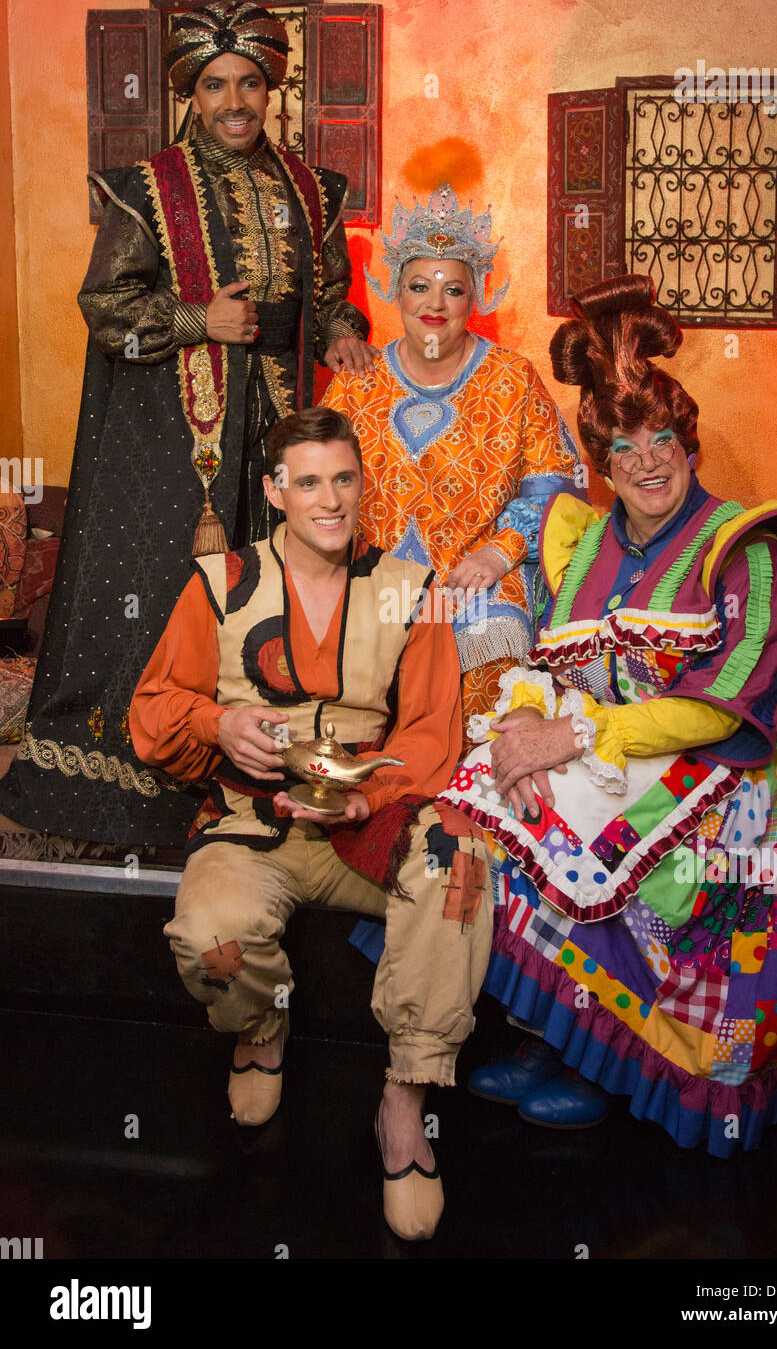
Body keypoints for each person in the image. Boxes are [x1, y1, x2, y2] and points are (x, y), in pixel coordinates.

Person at [440, 274, 777, 1156]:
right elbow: (554, 663)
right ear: (601, 463)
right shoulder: (585, 540)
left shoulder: (744, 545)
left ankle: (601, 1062)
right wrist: (524, 730)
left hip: (725, 767)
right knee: (478, 792)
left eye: (661, 438)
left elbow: (727, 701)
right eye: (624, 447)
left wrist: (578, 737)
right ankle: (552, 1035)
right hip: (613, 754)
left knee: (601, 839)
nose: (646, 461)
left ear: (689, 444)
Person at [0, 0, 373, 849]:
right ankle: (138, 779)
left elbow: (328, 294)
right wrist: (201, 322)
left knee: (265, 593)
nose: (235, 99)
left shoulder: (313, 189)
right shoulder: (147, 189)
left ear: (271, 91)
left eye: (250, 82)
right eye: (215, 85)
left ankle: (253, 771)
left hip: (276, 431)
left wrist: (345, 331)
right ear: (191, 95)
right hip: (171, 443)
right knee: (168, 595)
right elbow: (107, 312)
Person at [128, 407, 493, 1240]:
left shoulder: (412, 588)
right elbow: (152, 709)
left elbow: (434, 728)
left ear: (362, 483)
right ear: (273, 490)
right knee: (209, 936)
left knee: (463, 865)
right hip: (251, 822)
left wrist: (376, 793)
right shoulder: (217, 581)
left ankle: (404, 1104)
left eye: (343, 478)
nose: (330, 500)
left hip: (363, 820)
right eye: (308, 482)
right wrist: (218, 724)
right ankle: (261, 1028)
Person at [321, 183, 582, 730]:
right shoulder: (357, 382)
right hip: (372, 578)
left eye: (453, 290)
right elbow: (316, 487)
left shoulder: (512, 379)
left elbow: (557, 486)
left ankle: (468, 798)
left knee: (490, 670)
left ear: (476, 298)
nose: (434, 305)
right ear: (396, 290)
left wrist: (499, 554)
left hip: (477, 580)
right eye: (419, 286)